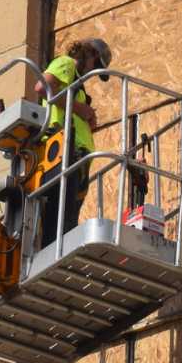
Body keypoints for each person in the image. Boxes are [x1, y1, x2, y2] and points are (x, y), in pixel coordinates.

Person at [33, 38, 109, 247]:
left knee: (68, 216)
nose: (92, 72)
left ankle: (59, 252)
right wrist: (80, 108)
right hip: (64, 147)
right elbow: (43, 88)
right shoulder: (66, 63)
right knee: (60, 214)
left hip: (76, 151)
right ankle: (53, 252)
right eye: (96, 64)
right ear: (90, 54)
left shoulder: (77, 83)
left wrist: (87, 118)